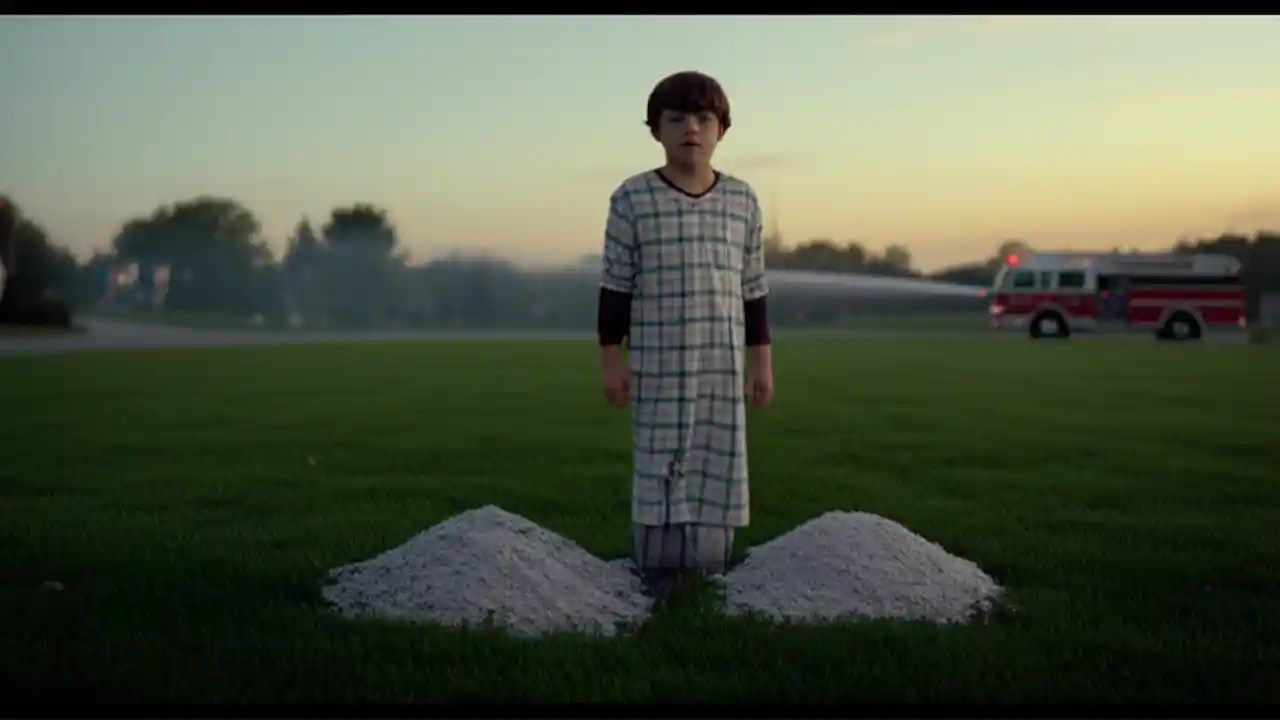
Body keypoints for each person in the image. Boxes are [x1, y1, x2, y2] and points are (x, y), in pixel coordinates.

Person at [596, 70, 773, 594]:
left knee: (717, 450)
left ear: (722, 129)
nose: (690, 129)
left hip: (720, 361)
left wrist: (761, 362)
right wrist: (612, 359)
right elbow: (614, 287)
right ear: (656, 129)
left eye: (703, 118)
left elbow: (755, 288)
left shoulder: (743, 200)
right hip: (658, 359)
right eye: (676, 119)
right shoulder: (632, 198)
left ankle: (712, 565)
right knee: (661, 453)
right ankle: (658, 566)